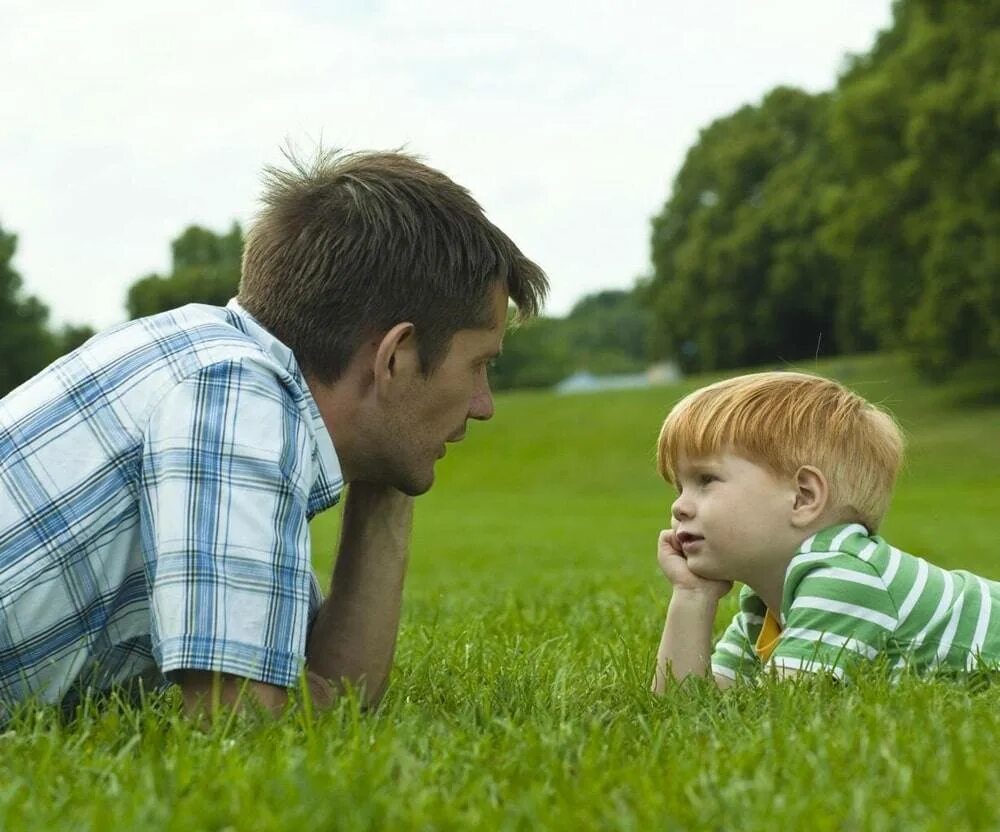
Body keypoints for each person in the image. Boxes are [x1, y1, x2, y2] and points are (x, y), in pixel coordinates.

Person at [0, 148, 547, 719]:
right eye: (479, 364)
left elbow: (333, 688)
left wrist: (389, 478)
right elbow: (237, 714)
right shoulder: (234, 393)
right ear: (395, 358)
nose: (483, 405)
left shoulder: (225, 370)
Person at [651, 371, 1000, 691]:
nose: (679, 506)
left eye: (706, 480)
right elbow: (690, 708)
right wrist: (692, 595)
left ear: (803, 497)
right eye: (679, 487)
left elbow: (777, 714)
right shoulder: (766, 601)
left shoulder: (845, 580)